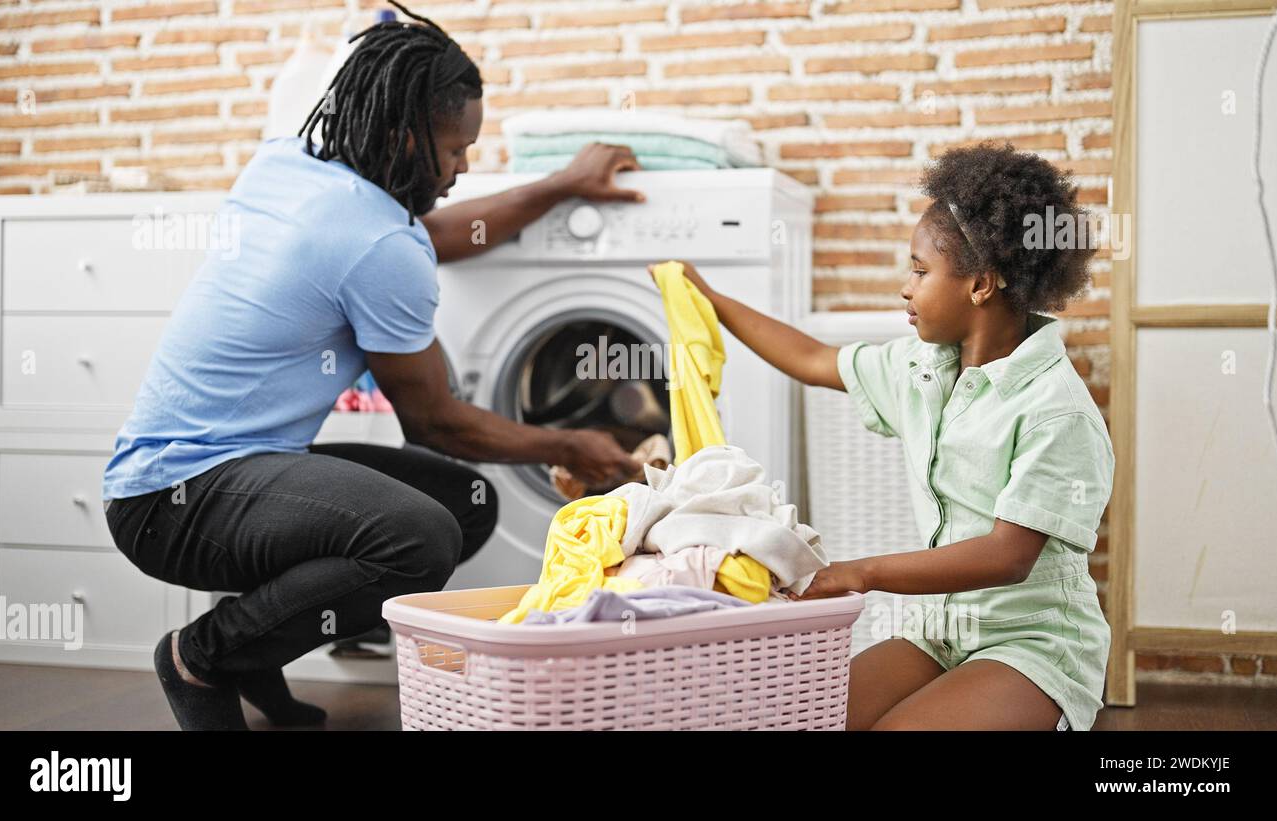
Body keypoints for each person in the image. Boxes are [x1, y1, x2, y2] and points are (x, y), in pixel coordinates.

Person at [102, 6, 645, 730]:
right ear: (401, 137)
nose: (463, 167)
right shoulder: (378, 243)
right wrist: (567, 444)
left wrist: (563, 184)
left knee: (464, 503)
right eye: (454, 152)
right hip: (173, 504)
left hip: (202, 475)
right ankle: (204, 654)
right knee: (421, 536)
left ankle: (256, 655)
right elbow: (436, 421)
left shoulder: (292, 163)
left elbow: (428, 234)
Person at [659, 143, 1114, 731]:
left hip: (1033, 644)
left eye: (920, 271)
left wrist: (863, 571)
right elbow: (810, 357)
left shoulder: (1056, 411)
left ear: (980, 285)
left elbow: (1008, 556)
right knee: (806, 719)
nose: (905, 287)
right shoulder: (922, 370)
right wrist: (710, 301)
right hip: (939, 631)